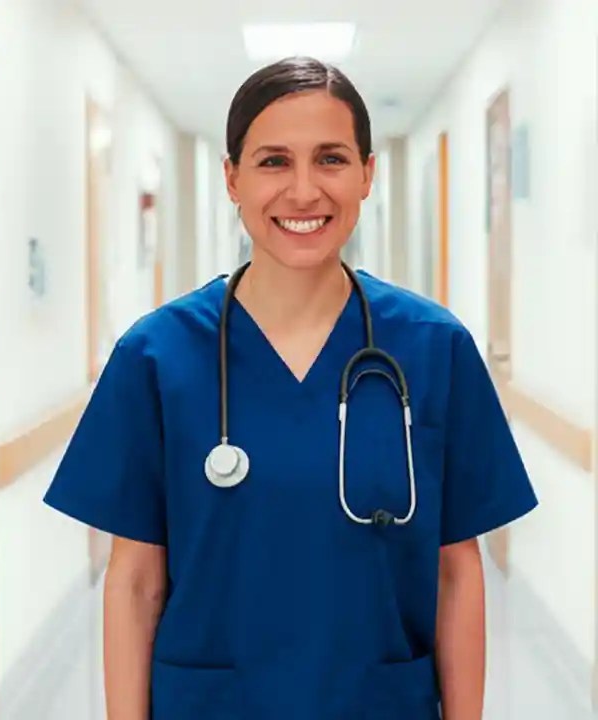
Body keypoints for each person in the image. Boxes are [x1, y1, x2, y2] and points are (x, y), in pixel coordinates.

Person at [43, 57, 537, 720]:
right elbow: (132, 584)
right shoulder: (156, 356)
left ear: (366, 173)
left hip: (378, 702)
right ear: (232, 178)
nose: (303, 192)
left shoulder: (433, 346)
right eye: (273, 161)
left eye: (330, 159)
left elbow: (457, 571)